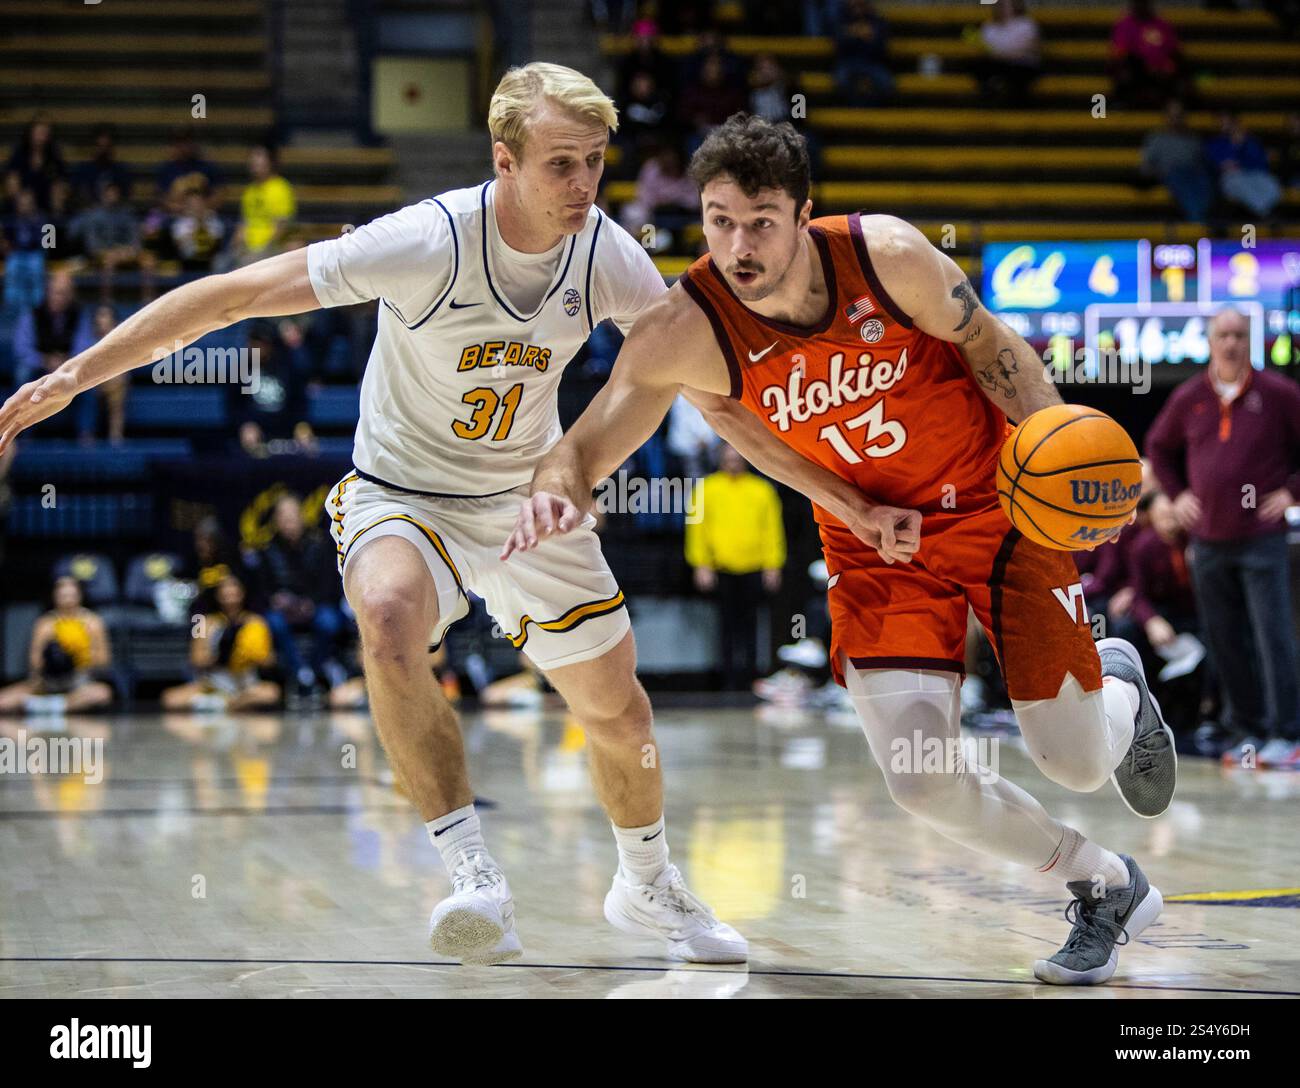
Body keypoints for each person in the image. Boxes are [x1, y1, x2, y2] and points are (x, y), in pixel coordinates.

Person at [0, 64, 858, 968]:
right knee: (387, 613)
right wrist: (71, 376)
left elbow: (711, 397)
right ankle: (472, 874)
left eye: (596, 163)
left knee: (622, 716)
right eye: (560, 163)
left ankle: (646, 885)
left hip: (527, 501)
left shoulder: (607, 253)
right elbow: (231, 296)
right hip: (401, 494)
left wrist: (838, 490)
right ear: (504, 159)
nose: (583, 185)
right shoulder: (426, 240)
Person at [506, 112, 1175, 986]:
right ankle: (1105, 883)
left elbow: (990, 345)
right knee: (921, 780)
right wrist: (558, 488)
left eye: (760, 222)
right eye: (718, 220)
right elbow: (592, 444)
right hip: (874, 545)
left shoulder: (888, 257)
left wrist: (1062, 462)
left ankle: (1117, 687)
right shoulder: (687, 325)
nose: (738, 245)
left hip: (992, 509)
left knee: (1078, 762)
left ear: (802, 213)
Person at [1145, 307, 1300, 770]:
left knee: (1272, 636)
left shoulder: (1278, 394)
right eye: (1222, 335)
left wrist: (1291, 491)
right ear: (1210, 341)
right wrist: (1176, 495)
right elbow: (1157, 447)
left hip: (1261, 539)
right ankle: (1247, 733)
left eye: (1238, 334)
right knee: (1226, 640)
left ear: (1250, 340)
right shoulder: (1190, 397)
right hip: (1208, 541)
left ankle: (1287, 735)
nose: (1230, 342)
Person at [685, 443, 786, 689]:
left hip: (753, 567)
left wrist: (773, 565)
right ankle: (727, 680)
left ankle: (750, 678)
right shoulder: (707, 489)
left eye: (738, 458)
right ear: (720, 459)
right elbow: (697, 529)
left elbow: (772, 529)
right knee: (725, 627)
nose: (733, 462)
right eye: (729, 458)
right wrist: (701, 564)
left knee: (752, 625)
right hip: (722, 569)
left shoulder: (762, 490)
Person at [253, 492, 347, 698]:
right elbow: (262, 589)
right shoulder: (267, 551)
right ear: (276, 521)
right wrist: (277, 600)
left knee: (329, 622)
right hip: (283, 610)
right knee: (273, 624)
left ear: (302, 517)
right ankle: (299, 672)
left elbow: (330, 585)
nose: (289, 522)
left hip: (314, 605)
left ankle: (314, 668)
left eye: (293, 516)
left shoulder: (320, 545)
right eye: (284, 517)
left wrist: (311, 603)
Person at [161, 575, 280, 712]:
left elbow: (270, 660)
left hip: (245, 684)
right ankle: (231, 704)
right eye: (224, 587)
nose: (229, 591)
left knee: (272, 693)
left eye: (233, 586)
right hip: (214, 684)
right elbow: (195, 659)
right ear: (217, 594)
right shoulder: (202, 622)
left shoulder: (257, 622)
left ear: (242, 591)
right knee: (170, 699)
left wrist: (249, 655)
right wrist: (220, 656)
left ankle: (228, 704)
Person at [0, 576, 113, 715]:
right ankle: (55, 705)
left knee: (102, 694)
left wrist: (79, 656)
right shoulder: (45, 624)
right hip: (48, 681)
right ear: (55, 596)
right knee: (3, 701)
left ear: (80, 595)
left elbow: (104, 660)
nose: (68, 599)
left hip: (78, 681)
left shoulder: (92, 622)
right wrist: (52, 661)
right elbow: (34, 660)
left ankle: (47, 707)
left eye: (71, 595)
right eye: (63, 595)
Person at [1140, 100, 1213, 223]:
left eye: (1179, 115)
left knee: (1205, 180)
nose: (1176, 119)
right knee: (1179, 179)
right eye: (1172, 115)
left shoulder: (1193, 139)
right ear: (1166, 117)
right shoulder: (1156, 138)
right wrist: (1158, 171)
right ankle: (1197, 219)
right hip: (1170, 173)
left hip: (1194, 173)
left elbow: (1202, 161)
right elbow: (1145, 165)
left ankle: (1204, 216)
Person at [1205, 113, 1284, 221]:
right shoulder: (1215, 143)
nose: (1226, 126)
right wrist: (1226, 162)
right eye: (1222, 123)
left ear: (1235, 123)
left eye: (1228, 123)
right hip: (1229, 178)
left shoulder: (1249, 141)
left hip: (1251, 174)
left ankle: (1263, 212)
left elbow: (1261, 164)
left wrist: (1241, 146)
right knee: (1236, 181)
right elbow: (1215, 164)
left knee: (1272, 185)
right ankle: (1266, 213)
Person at [1109, 0, 1186, 107]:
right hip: (1137, 77)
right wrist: (1147, 67)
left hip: (1162, 77)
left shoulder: (1163, 25)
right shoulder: (1124, 26)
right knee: (1129, 68)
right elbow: (1119, 56)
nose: (1141, 5)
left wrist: (1165, 67)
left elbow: (1175, 52)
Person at [972, 0, 1041, 104]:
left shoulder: (1026, 24)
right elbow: (984, 49)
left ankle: (1018, 105)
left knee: (1016, 76)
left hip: (1021, 65)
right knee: (978, 67)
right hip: (998, 64)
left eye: (1006, 6)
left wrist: (1002, 55)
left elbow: (1028, 49)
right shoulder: (989, 26)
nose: (1002, 9)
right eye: (1000, 5)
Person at [235, 145, 296, 260]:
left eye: (259, 158)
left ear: (270, 162)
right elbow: (244, 223)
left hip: (271, 248)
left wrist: (263, 250)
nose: (254, 162)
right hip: (247, 248)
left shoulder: (281, 188)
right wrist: (237, 244)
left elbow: (283, 226)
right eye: (253, 159)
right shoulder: (249, 191)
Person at [833, 0, 895, 107]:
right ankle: (850, 108)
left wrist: (856, 34)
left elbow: (881, 47)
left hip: (872, 62)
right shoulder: (841, 20)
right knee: (841, 78)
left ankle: (876, 108)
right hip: (848, 62)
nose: (858, 5)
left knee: (886, 82)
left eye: (861, 4)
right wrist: (856, 35)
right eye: (855, 3)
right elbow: (839, 45)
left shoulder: (877, 21)